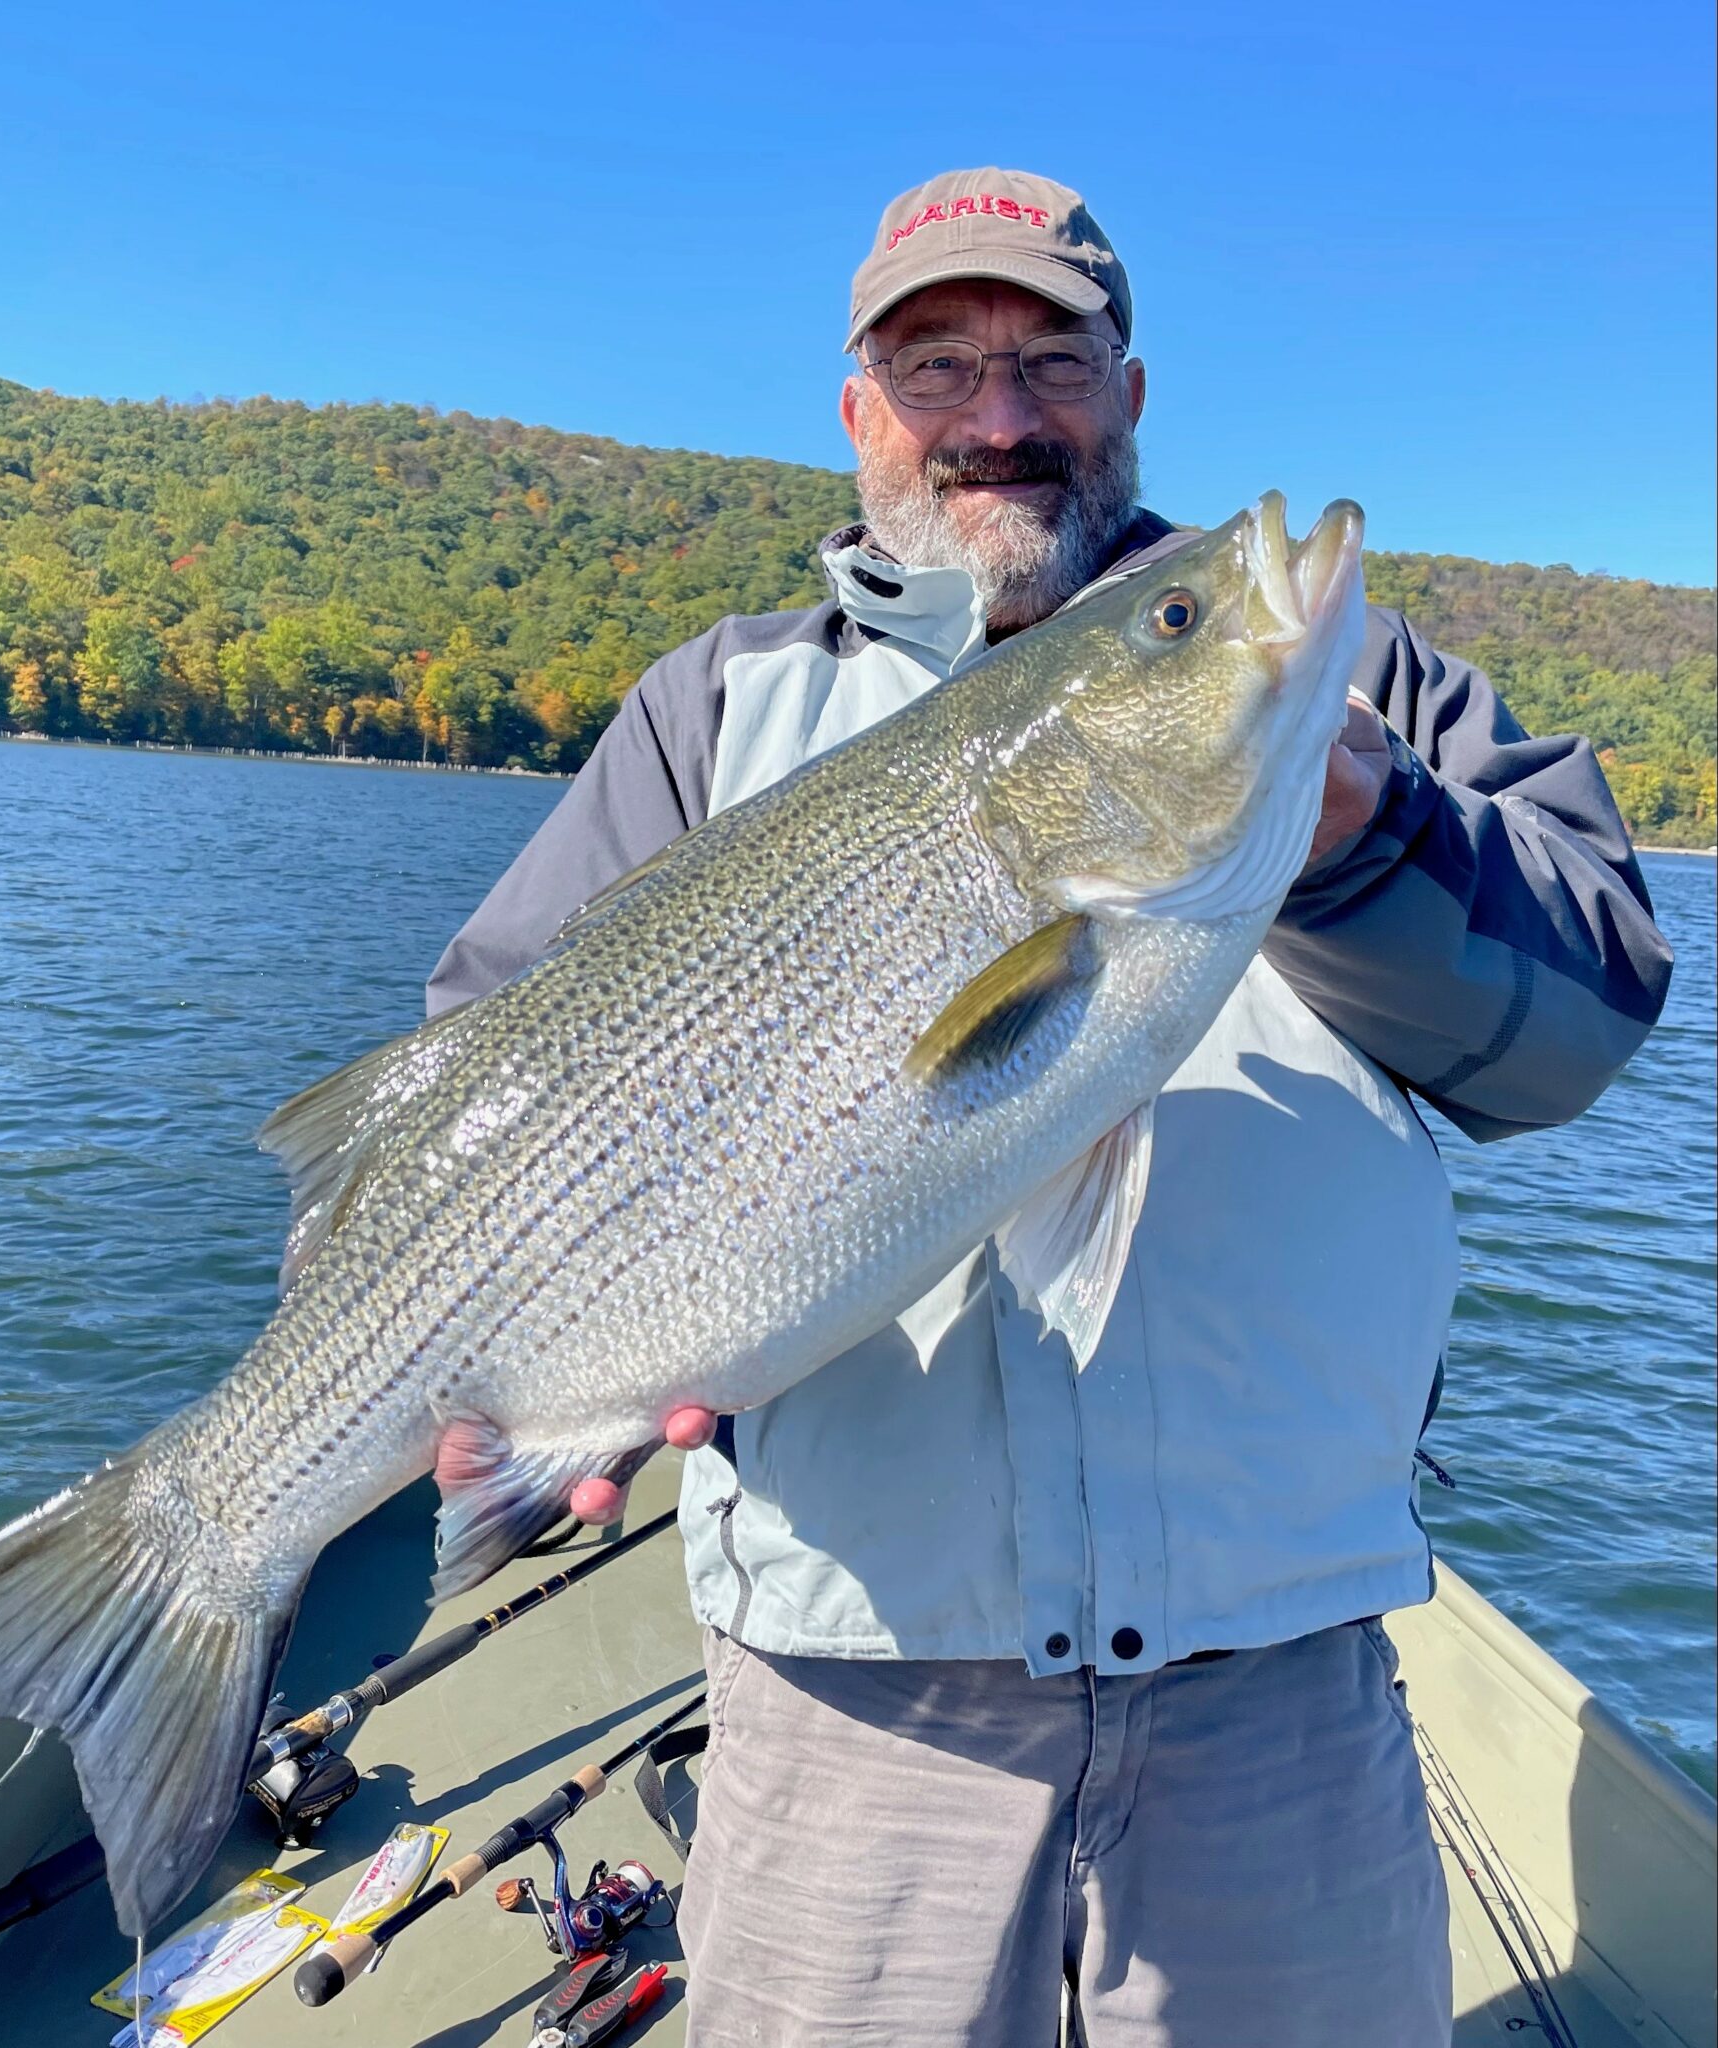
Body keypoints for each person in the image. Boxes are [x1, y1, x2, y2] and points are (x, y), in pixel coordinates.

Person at [422, 170, 1672, 2046]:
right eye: (938, 366)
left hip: (1282, 1694)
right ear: (861, 416)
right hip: (855, 1704)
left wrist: (1368, 831)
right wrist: (512, 1369)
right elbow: (490, 1065)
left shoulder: (1353, 685)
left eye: (1048, 360)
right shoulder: (710, 711)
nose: (998, 419)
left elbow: (1582, 1025)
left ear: (1132, 388)